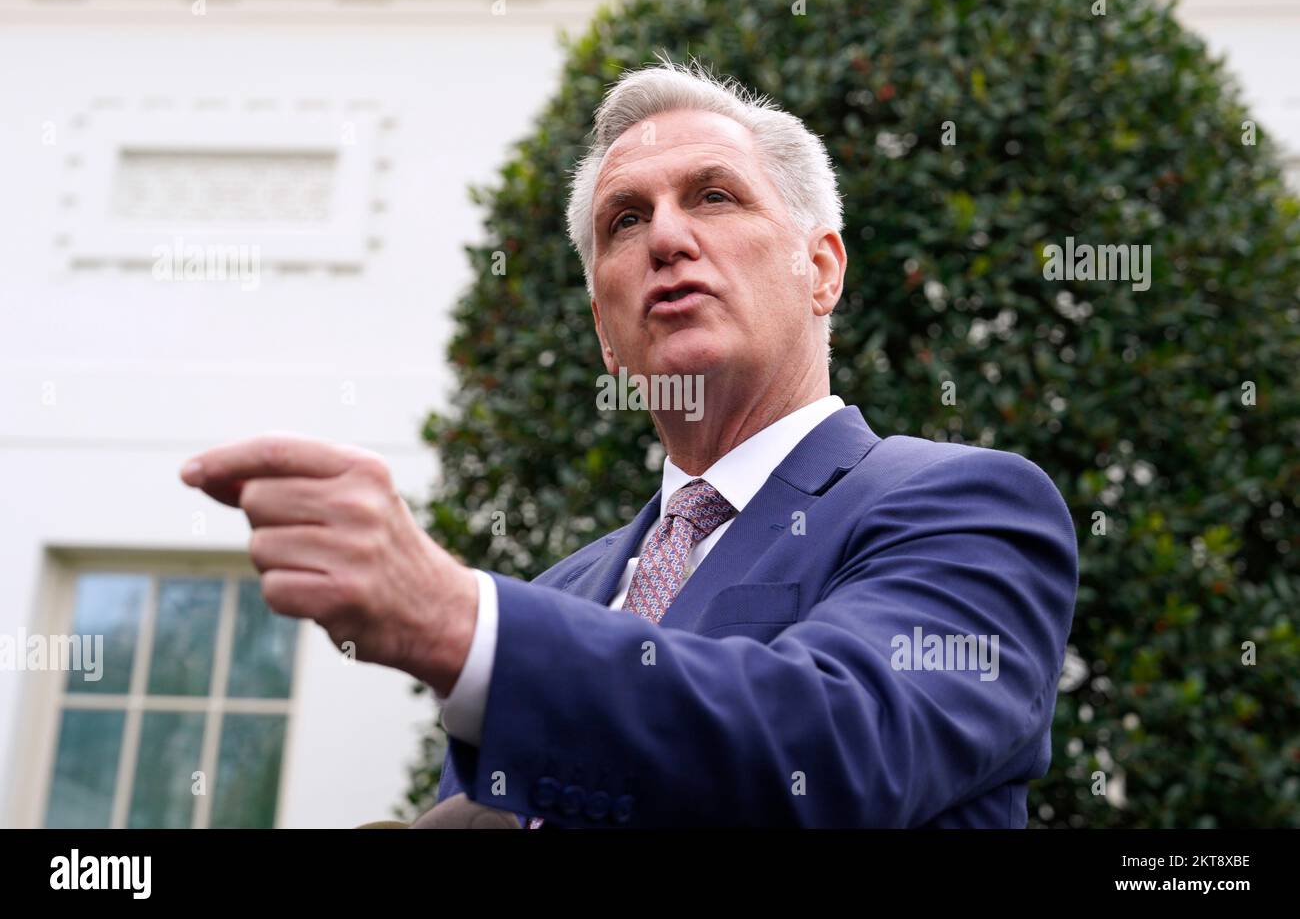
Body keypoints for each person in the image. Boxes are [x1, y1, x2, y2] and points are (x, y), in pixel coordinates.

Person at [180, 57, 1078, 828]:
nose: (668, 239)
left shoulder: (968, 507)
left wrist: (460, 622)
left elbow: (833, 750)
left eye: (714, 197)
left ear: (822, 268)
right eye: (626, 221)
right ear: (606, 333)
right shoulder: (556, 595)